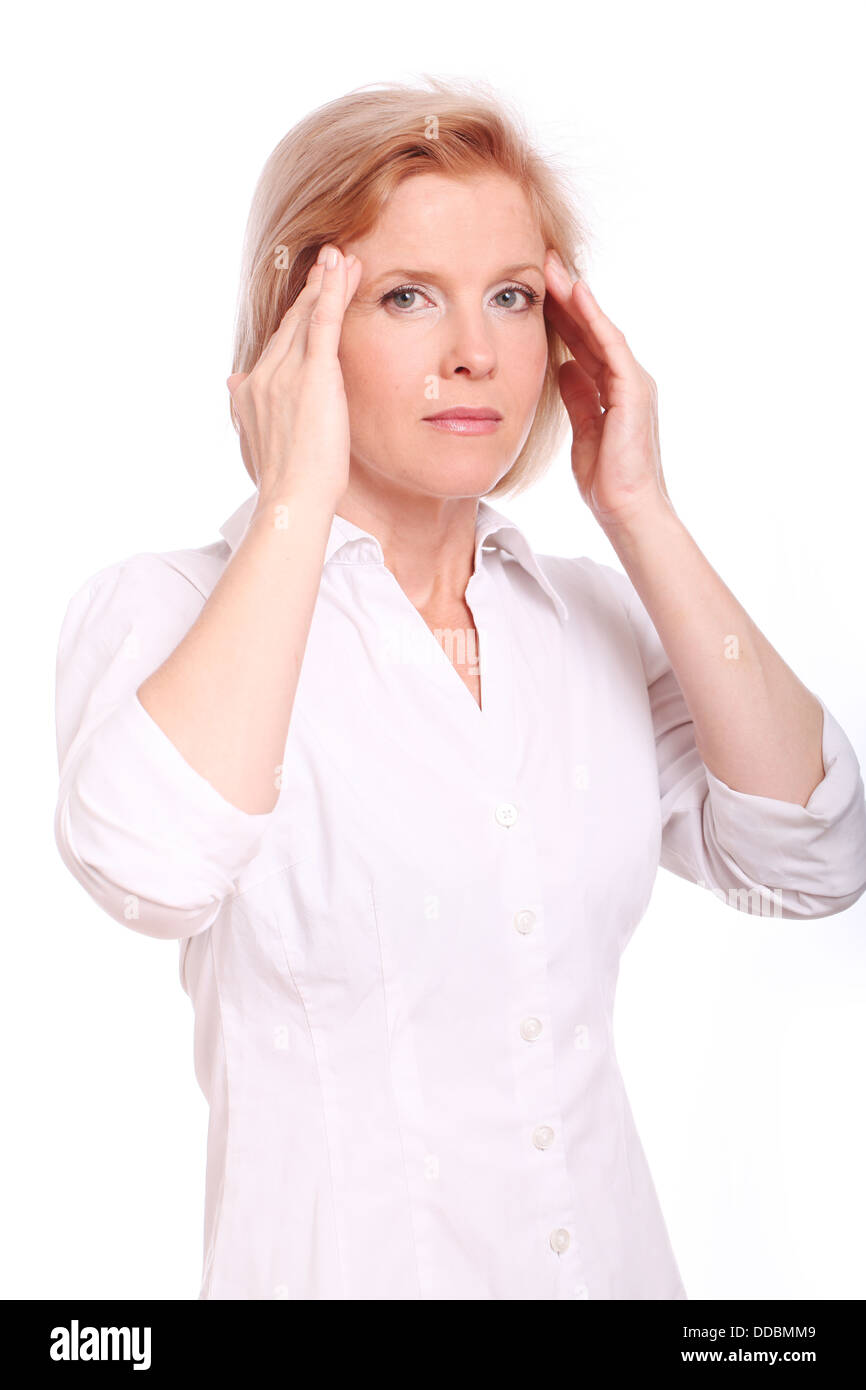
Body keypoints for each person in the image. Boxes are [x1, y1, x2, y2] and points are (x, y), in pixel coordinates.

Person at [53, 77, 866, 1301]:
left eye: (511, 298)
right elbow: (147, 871)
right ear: (300, 330)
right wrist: (292, 501)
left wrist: (637, 507)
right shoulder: (164, 610)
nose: (474, 351)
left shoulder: (590, 619)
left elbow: (812, 854)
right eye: (406, 297)